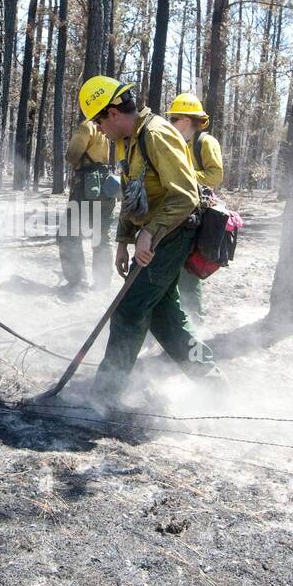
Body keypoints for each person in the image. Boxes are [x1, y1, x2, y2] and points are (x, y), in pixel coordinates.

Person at [77, 76, 223, 402]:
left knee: (129, 311)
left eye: (99, 120)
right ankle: (212, 383)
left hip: (173, 233)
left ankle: (104, 396)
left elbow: (185, 196)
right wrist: (122, 241)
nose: (98, 129)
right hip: (155, 236)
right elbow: (133, 196)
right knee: (164, 317)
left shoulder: (156, 134)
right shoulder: (130, 140)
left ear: (114, 113)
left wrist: (148, 233)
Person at [167, 92, 224, 325]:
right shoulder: (177, 144)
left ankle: (194, 324)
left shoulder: (205, 143)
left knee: (189, 274)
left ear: (188, 120)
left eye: (174, 119)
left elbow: (215, 175)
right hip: (178, 214)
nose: (170, 124)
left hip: (198, 215)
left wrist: (186, 176)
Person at [58, 113, 115, 294]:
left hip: (85, 186)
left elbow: (72, 155)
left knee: (69, 232)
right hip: (106, 185)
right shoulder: (109, 126)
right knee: (101, 235)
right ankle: (103, 282)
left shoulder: (87, 126)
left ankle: (77, 280)